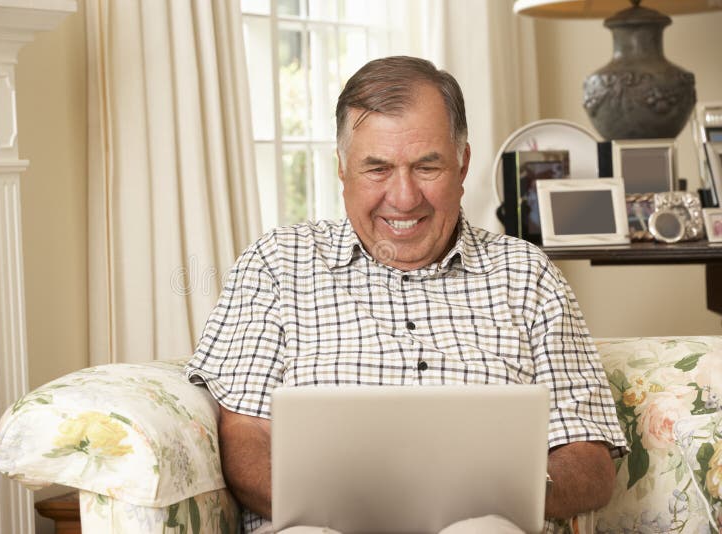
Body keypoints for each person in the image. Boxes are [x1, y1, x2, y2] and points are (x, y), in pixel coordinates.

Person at [185, 56, 628, 534]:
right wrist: (346, 508)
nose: (403, 197)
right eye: (376, 169)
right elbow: (245, 435)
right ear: (342, 169)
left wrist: (500, 491)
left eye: (426, 166)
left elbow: (590, 463)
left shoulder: (527, 275)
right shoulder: (276, 264)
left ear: (462, 164)